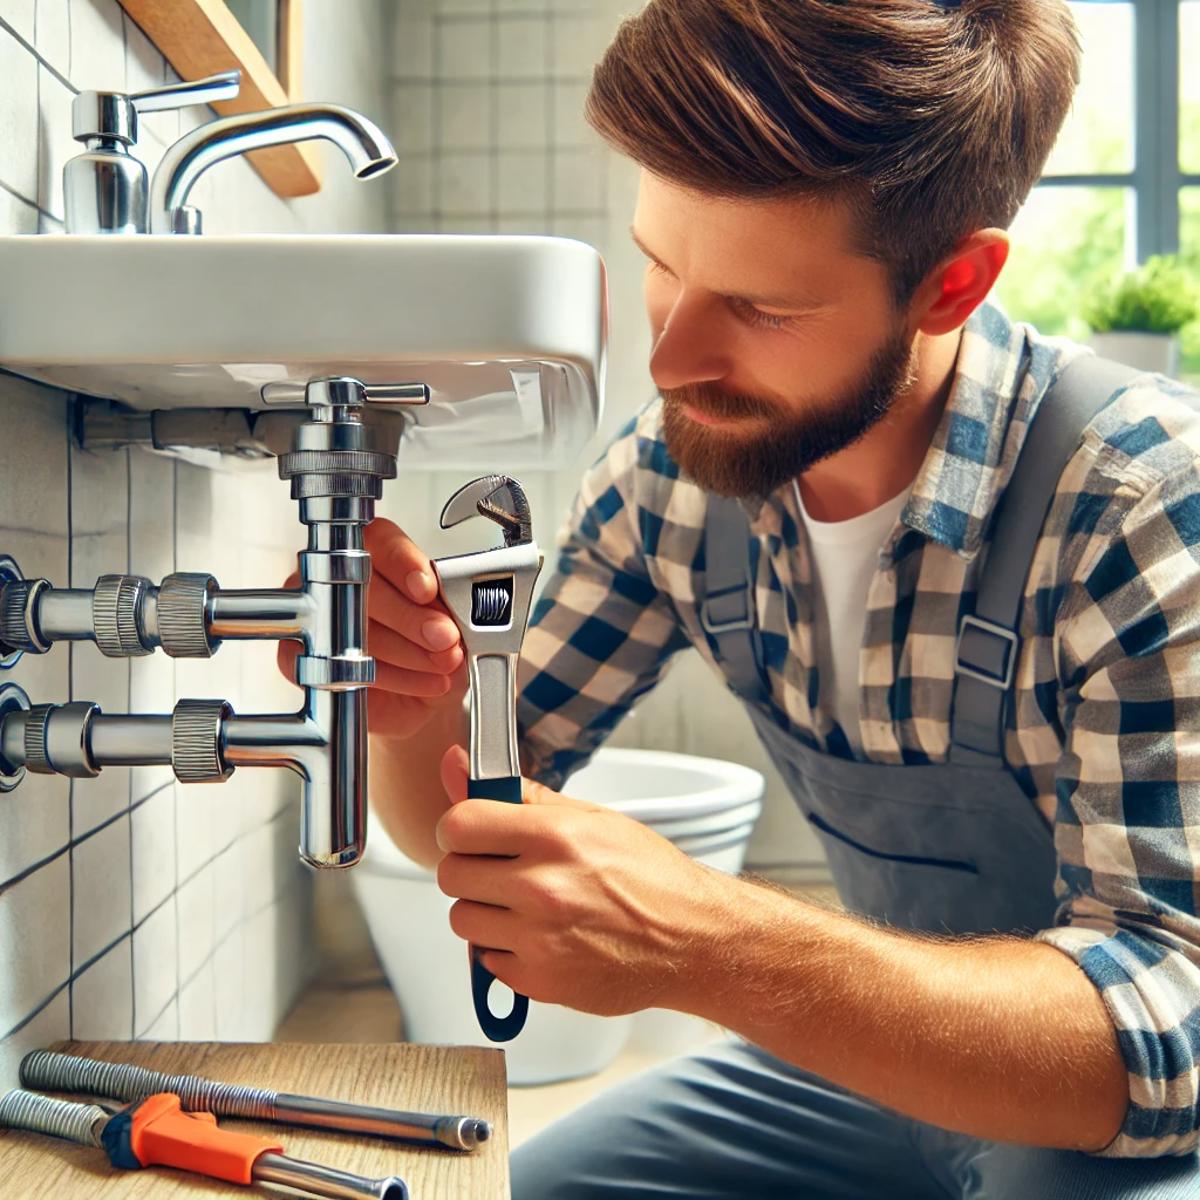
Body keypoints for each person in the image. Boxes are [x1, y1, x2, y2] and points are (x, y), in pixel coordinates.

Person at [343, 1, 1200, 1194]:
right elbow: (468, 812)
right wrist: (414, 700)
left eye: (762, 309)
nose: (669, 361)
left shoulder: (1143, 501)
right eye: (660, 263)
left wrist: (712, 946)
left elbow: (1173, 1033)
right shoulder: (673, 480)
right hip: (853, 1072)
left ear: (951, 282)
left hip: (1104, 1124)